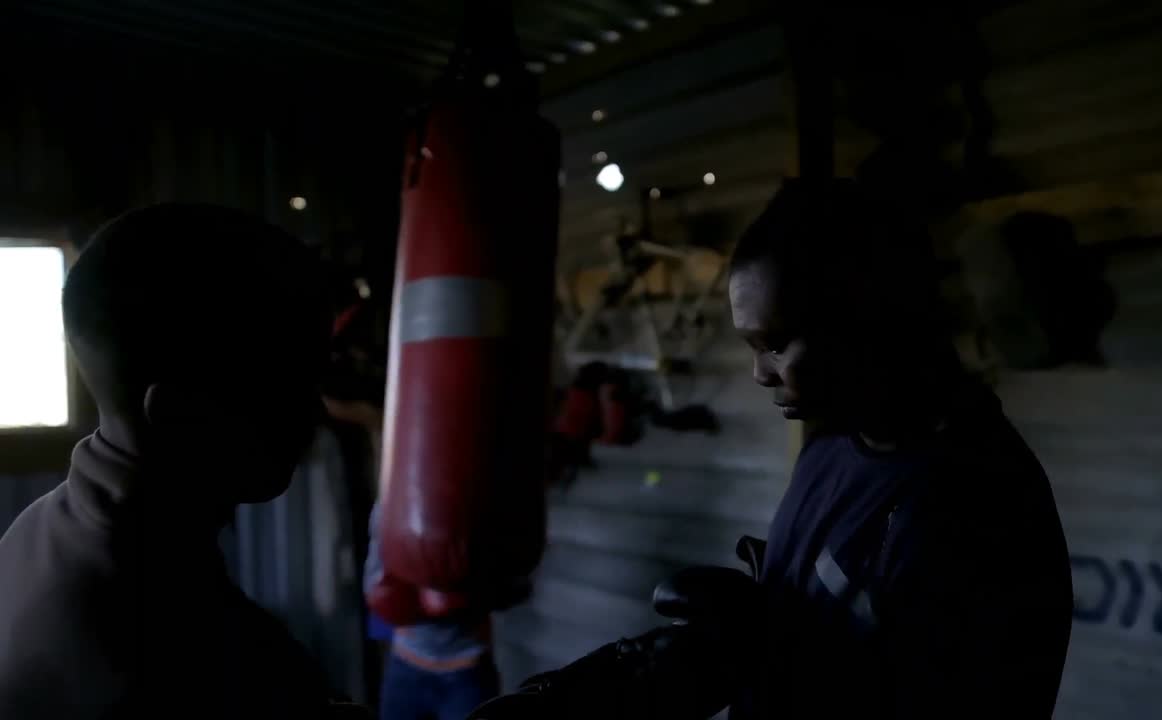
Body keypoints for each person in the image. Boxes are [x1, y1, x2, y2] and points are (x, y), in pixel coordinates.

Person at [468, 178, 1073, 719]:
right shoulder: (836, 441)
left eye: (778, 343)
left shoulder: (977, 509)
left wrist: (773, 649)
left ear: (870, 318)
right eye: (753, 345)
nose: (760, 373)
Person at [0, 204, 366, 719]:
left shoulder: (36, 535)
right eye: (288, 384)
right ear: (179, 415)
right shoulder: (190, 657)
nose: (316, 411)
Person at [325, 395, 502, 720]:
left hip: (465, 669)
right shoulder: (392, 504)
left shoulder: (477, 497)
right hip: (405, 666)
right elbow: (377, 582)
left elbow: (507, 580)